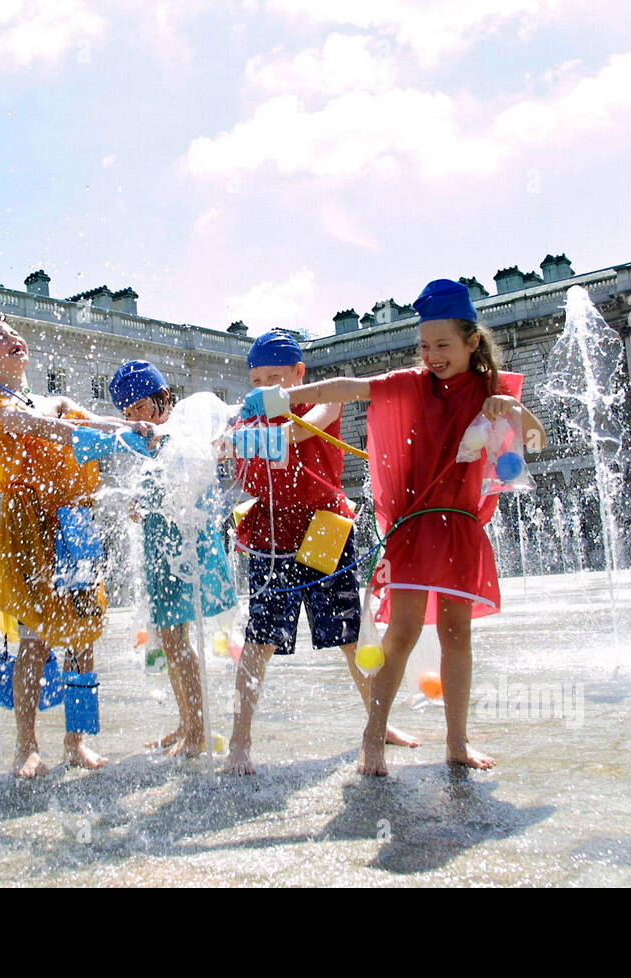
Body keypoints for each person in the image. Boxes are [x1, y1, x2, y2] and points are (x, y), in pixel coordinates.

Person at [244, 280, 546, 776]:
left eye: (443, 345)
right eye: (425, 346)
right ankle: (373, 737)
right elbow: (345, 388)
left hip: (461, 529)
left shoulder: (494, 391)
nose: (432, 356)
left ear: (473, 341)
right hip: (414, 526)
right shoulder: (412, 382)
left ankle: (457, 741)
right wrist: (282, 398)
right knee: (400, 632)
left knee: (457, 634)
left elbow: (536, 440)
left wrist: (513, 409)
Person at [0, 316, 154, 779]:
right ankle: (26, 745)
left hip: (76, 521)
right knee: (36, 638)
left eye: (12, 333)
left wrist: (135, 427)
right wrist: (99, 429)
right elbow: (38, 427)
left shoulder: (60, 401)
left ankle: (77, 740)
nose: (12, 339)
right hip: (30, 526)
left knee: (84, 635)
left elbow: (98, 423)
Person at [228, 330, 420, 776]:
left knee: (350, 636)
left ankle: (379, 724)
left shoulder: (325, 403)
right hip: (271, 533)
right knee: (260, 639)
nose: (265, 388)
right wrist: (231, 436)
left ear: (299, 373)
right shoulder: (248, 418)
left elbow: (300, 428)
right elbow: (234, 452)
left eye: (276, 377)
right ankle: (241, 739)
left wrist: (250, 432)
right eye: (257, 379)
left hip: (324, 527)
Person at [110, 360, 237, 758]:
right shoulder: (156, 446)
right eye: (128, 414)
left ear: (163, 400)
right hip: (161, 553)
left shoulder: (181, 439)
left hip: (184, 553)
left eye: (141, 409)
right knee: (170, 640)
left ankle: (197, 732)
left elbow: (200, 476)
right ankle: (187, 723)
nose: (136, 420)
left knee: (179, 640)